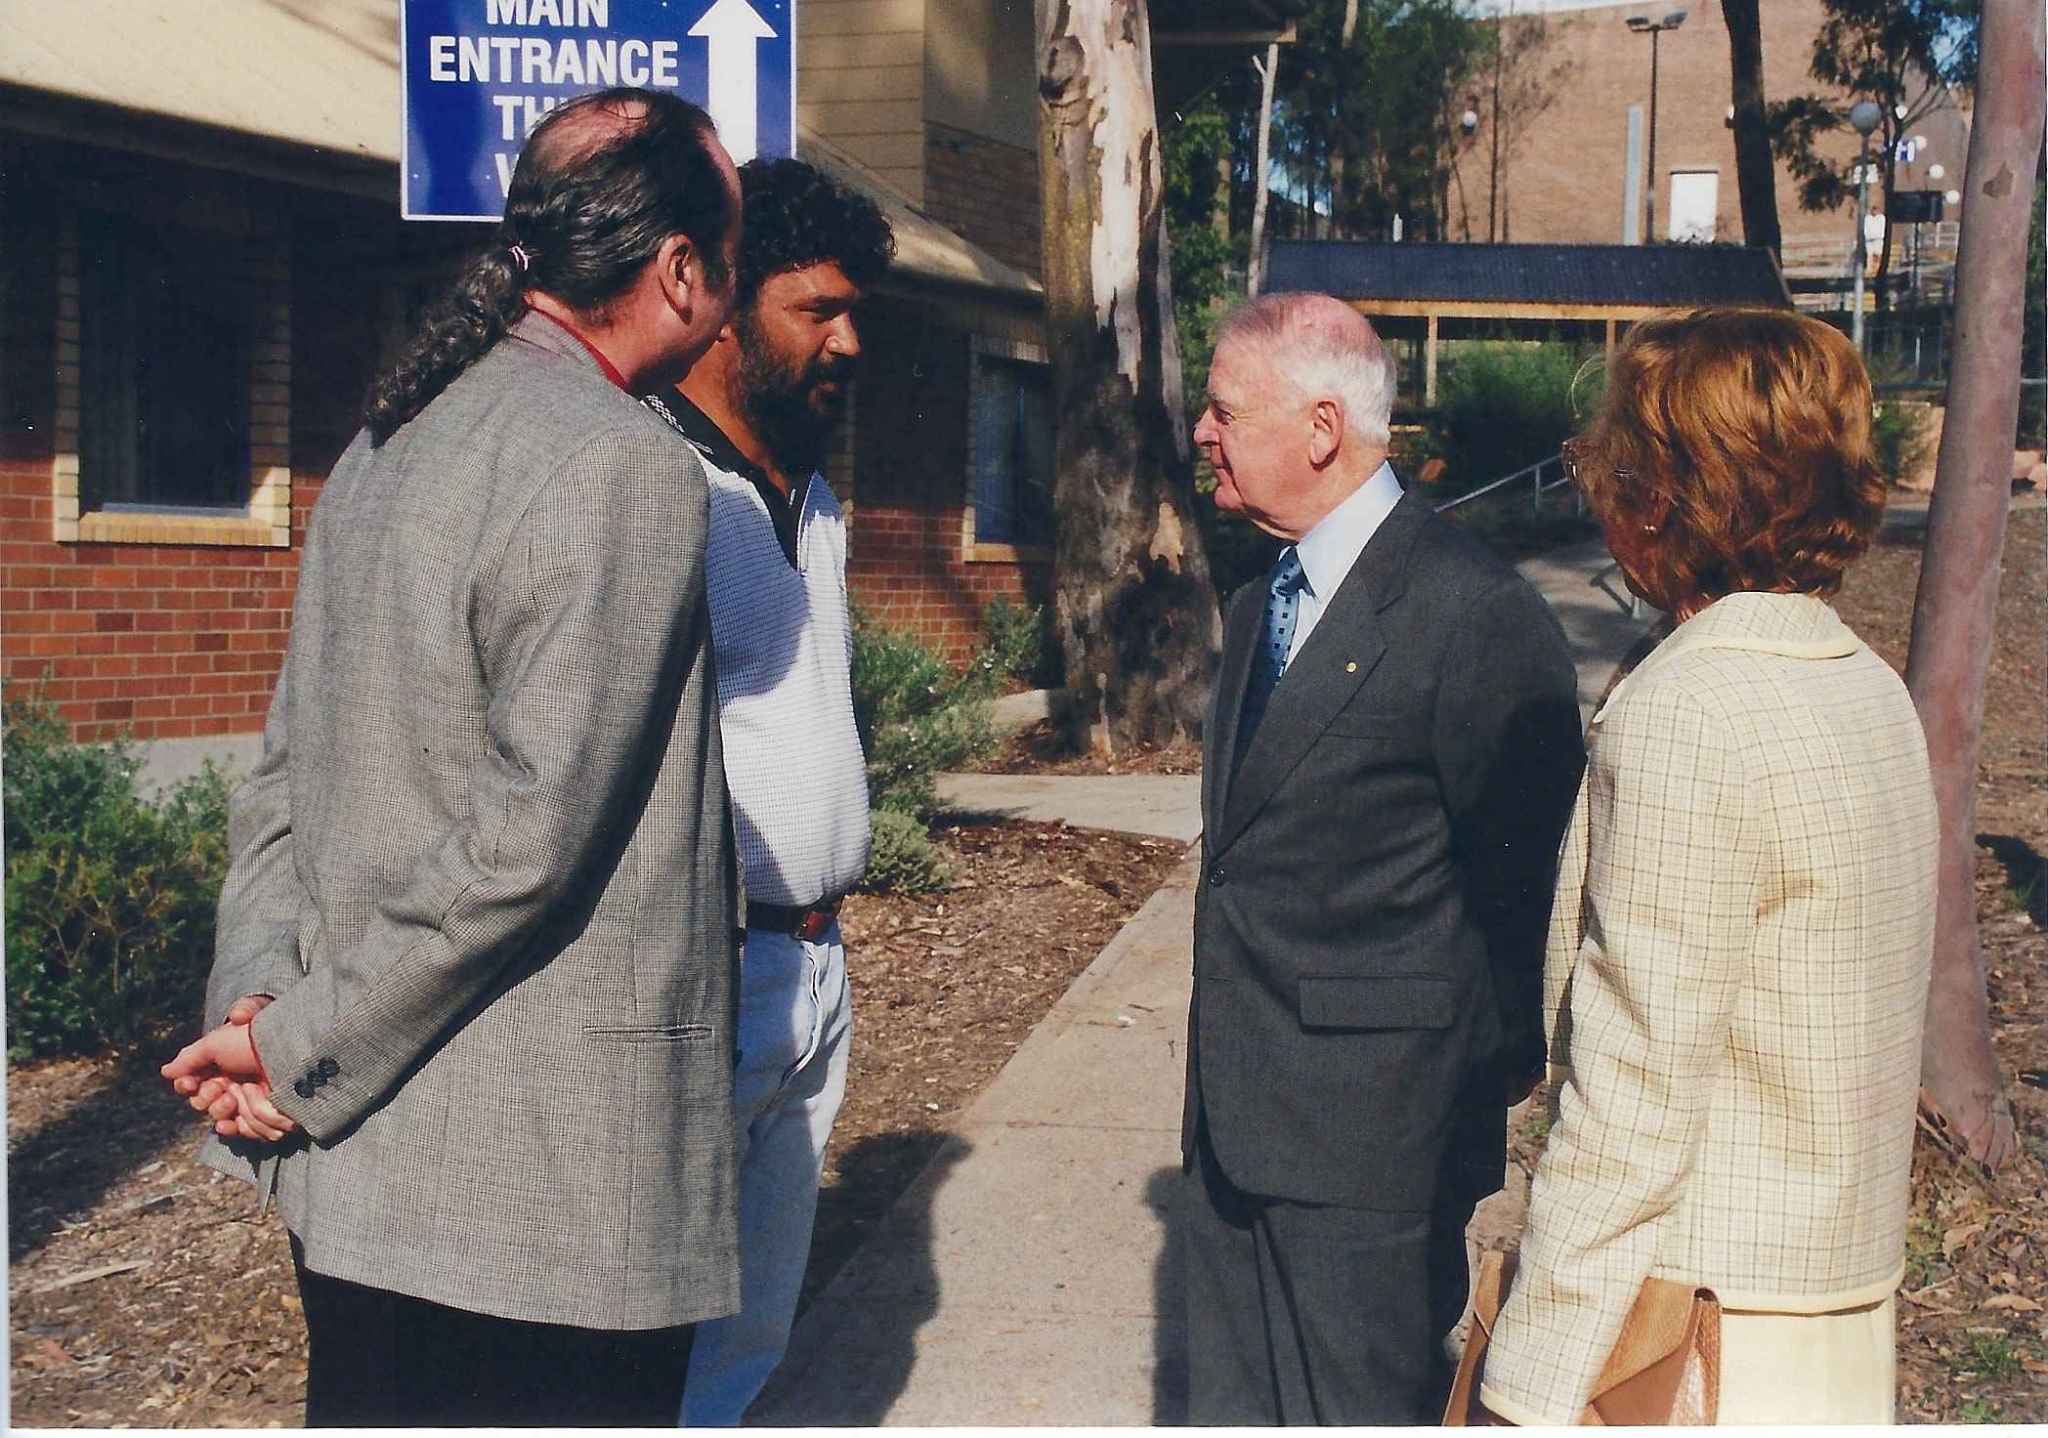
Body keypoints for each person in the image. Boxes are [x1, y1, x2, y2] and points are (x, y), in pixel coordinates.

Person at [159, 88, 744, 1427]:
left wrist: (253, 1013)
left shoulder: (384, 437)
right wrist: (288, 1040)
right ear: (676, 271)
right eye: (734, 249)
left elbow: (283, 780)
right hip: (545, 1213)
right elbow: (525, 845)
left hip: (361, 1184)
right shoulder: (627, 467)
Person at [1478, 308, 1937, 1426]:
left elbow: (1631, 1099)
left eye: (1610, 459)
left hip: (1692, 1338)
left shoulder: (1690, 709)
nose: (1593, 486)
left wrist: (1525, 1385)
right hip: (1832, 1308)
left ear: (1671, 492)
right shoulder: (1863, 685)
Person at [1181, 292, 1585, 1424]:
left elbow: (1519, 885)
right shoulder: (1262, 590)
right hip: (1231, 1127)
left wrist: (1460, 1090)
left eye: (1221, 410)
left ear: (1318, 428)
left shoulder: (1470, 610)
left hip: (1373, 1152)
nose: (1201, 433)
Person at [639, 156, 893, 1425]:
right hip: (702, 975)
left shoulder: (812, 491)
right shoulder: (658, 489)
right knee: (657, 1330)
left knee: (750, 1333)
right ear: (725, 304)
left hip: (812, 971)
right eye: (817, 311)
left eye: (857, 313)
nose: (847, 341)